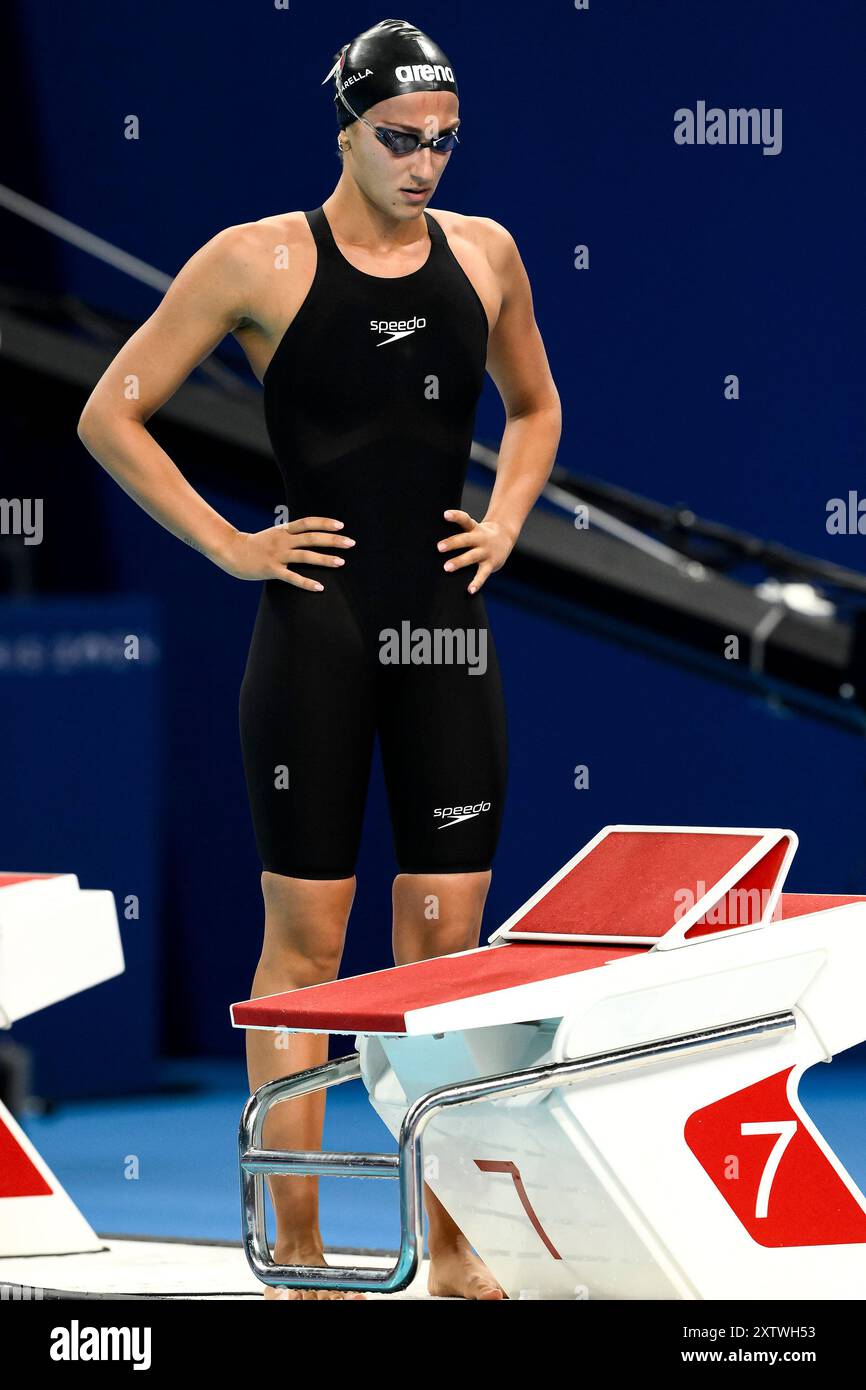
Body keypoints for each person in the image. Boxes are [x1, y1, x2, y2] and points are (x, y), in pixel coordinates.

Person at [77, 17, 561, 1300]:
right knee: (310, 945)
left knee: (445, 947)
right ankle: (292, 1244)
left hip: (444, 633)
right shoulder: (257, 259)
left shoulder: (489, 255)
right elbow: (109, 412)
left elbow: (534, 406)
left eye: (445, 142)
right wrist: (231, 545)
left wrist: (505, 518)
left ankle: (454, 1251)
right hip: (317, 636)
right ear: (343, 129)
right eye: (400, 139)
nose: (425, 164)